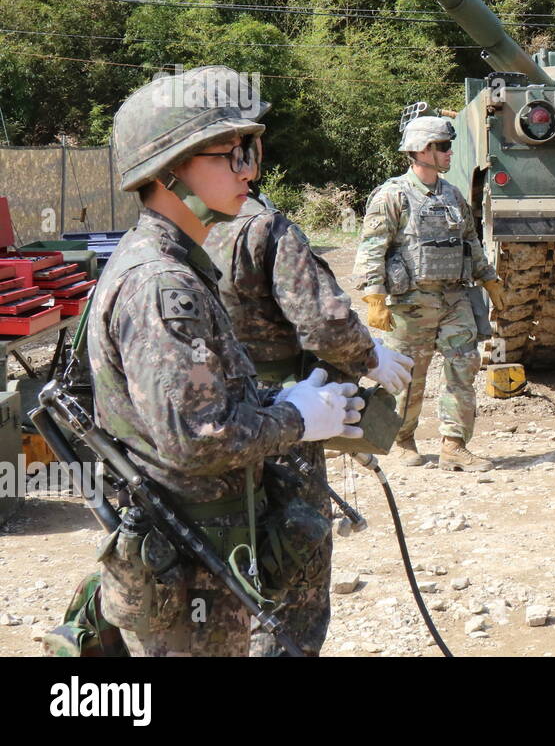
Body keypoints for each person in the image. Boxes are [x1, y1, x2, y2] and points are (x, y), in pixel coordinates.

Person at [88, 65, 364, 656]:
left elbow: (204, 405)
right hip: (187, 576)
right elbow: (199, 439)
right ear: (167, 171)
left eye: (251, 150)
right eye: (229, 154)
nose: (250, 169)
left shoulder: (176, 266)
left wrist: (281, 400)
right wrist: (298, 421)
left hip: (199, 559)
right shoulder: (162, 286)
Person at [203, 121, 413, 656]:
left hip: (213, 421)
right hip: (289, 416)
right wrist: (370, 355)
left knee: (227, 560)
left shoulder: (180, 231)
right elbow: (322, 322)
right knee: (293, 568)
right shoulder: (263, 228)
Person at [355, 115, 504, 470]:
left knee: (464, 367)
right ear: (422, 151)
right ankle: (402, 438)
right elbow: (373, 246)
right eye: (444, 147)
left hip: (454, 298)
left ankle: (454, 446)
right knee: (406, 376)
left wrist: (489, 279)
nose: (450, 153)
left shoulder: (452, 194)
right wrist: (374, 296)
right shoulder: (392, 195)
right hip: (412, 302)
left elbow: (470, 241)